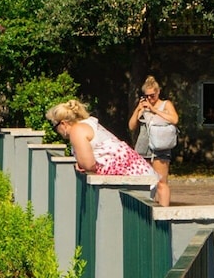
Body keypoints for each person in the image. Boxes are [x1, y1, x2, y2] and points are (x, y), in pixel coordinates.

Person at [48, 99, 155, 176]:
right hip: (141, 173)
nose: (57, 131)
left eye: (55, 127)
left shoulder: (76, 131)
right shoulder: (89, 123)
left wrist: (81, 164)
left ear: (63, 124)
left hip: (134, 178)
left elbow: (89, 165)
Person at [128, 76, 179, 206]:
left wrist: (154, 109)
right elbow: (131, 126)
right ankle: (146, 210)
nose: (150, 98)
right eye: (147, 96)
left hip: (160, 148)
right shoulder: (143, 106)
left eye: (152, 95)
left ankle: (163, 212)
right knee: (143, 182)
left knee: (161, 182)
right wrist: (138, 109)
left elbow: (174, 119)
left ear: (158, 92)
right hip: (143, 148)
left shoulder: (165, 104)